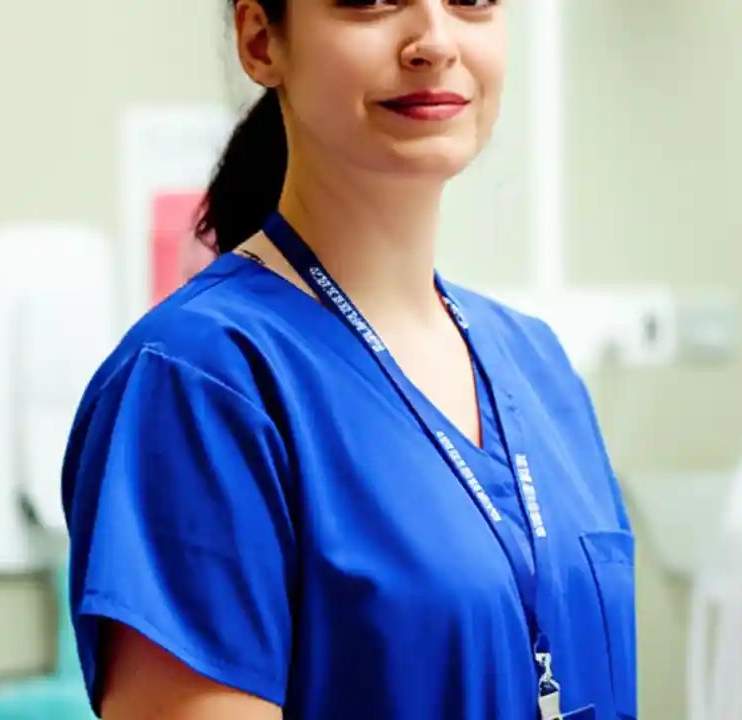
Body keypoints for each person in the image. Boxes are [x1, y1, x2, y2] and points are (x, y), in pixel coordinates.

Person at [59, 1, 637, 718]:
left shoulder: (538, 366)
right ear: (261, 39)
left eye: (473, 0)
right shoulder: (200, 382)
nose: (434, 40)